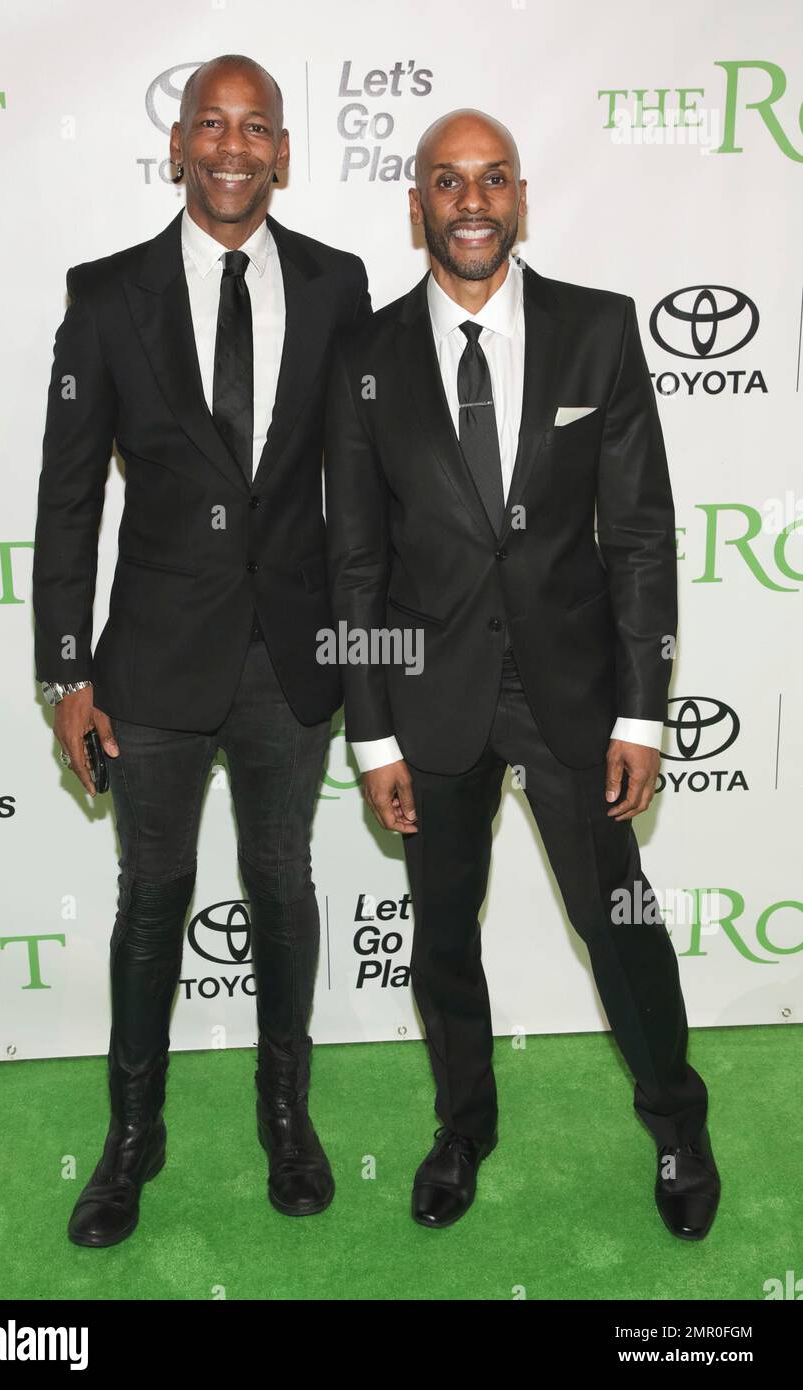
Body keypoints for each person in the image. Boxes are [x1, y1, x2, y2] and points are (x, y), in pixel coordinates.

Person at [324, 109, 719, 1237]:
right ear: (417, 207)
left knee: (621, 923)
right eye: (447, 183)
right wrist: (371, 735)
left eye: (491, 179)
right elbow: (354, 560)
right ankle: (461, 1127)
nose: (471, 203)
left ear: (520, 196)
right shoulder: (365, 357)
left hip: (575, 703)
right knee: (441, 937)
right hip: (427, 703)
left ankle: (676, 1125)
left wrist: (642, 712)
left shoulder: (598, 332)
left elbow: (639, 536)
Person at [33, 54, 371, 1246]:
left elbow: (360, 486)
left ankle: (288, 1116)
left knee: (282, 886)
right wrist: (66, 673)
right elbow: (68, 499)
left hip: (289, 659)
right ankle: (133, 1136)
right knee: (151, 898)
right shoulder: (107, 292)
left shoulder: (338, 285)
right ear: (178, 146)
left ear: (282, 152)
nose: (232, 147)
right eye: (210, 126)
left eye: (256, 129)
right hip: (155, 667)